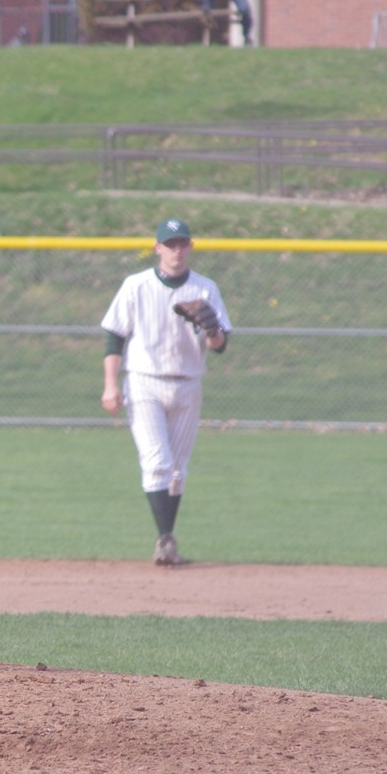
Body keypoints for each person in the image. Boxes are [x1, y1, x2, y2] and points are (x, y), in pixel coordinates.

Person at [100, 218, 232, 566]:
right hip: (144, 380)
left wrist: (213, 329)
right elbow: (114, 337)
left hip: (188, 382)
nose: (177, 250)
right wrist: (110, 385)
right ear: (157, 248)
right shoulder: (136, 285)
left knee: (177, 470)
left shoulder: (206, 289)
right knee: (157, 461)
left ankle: (167, 540)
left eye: (182, 243)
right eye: (170, 244)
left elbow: (220, 346)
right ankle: (165, 540)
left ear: (191, 247)